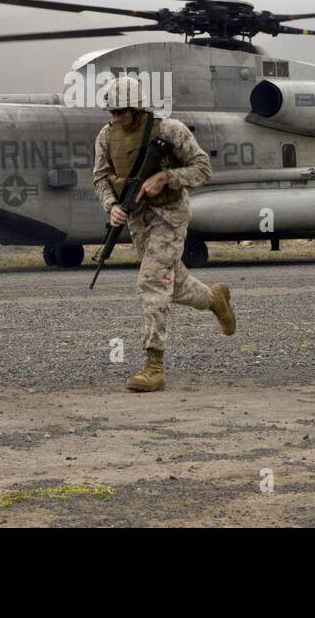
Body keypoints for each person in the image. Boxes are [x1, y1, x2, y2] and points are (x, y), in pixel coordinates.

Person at [92, 75, 236, 392]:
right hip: (138, 220)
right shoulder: (106, 137)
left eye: (121, 112)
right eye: (112, 113)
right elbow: (101, 178)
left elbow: (203, 169)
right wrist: (111, 205)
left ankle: (153, 364)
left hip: (170, 216)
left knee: (151, 280)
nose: (115, 118)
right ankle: (215, 300)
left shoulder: (170, 130)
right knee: (176, 283)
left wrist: (166, 178)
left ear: (138, 108)